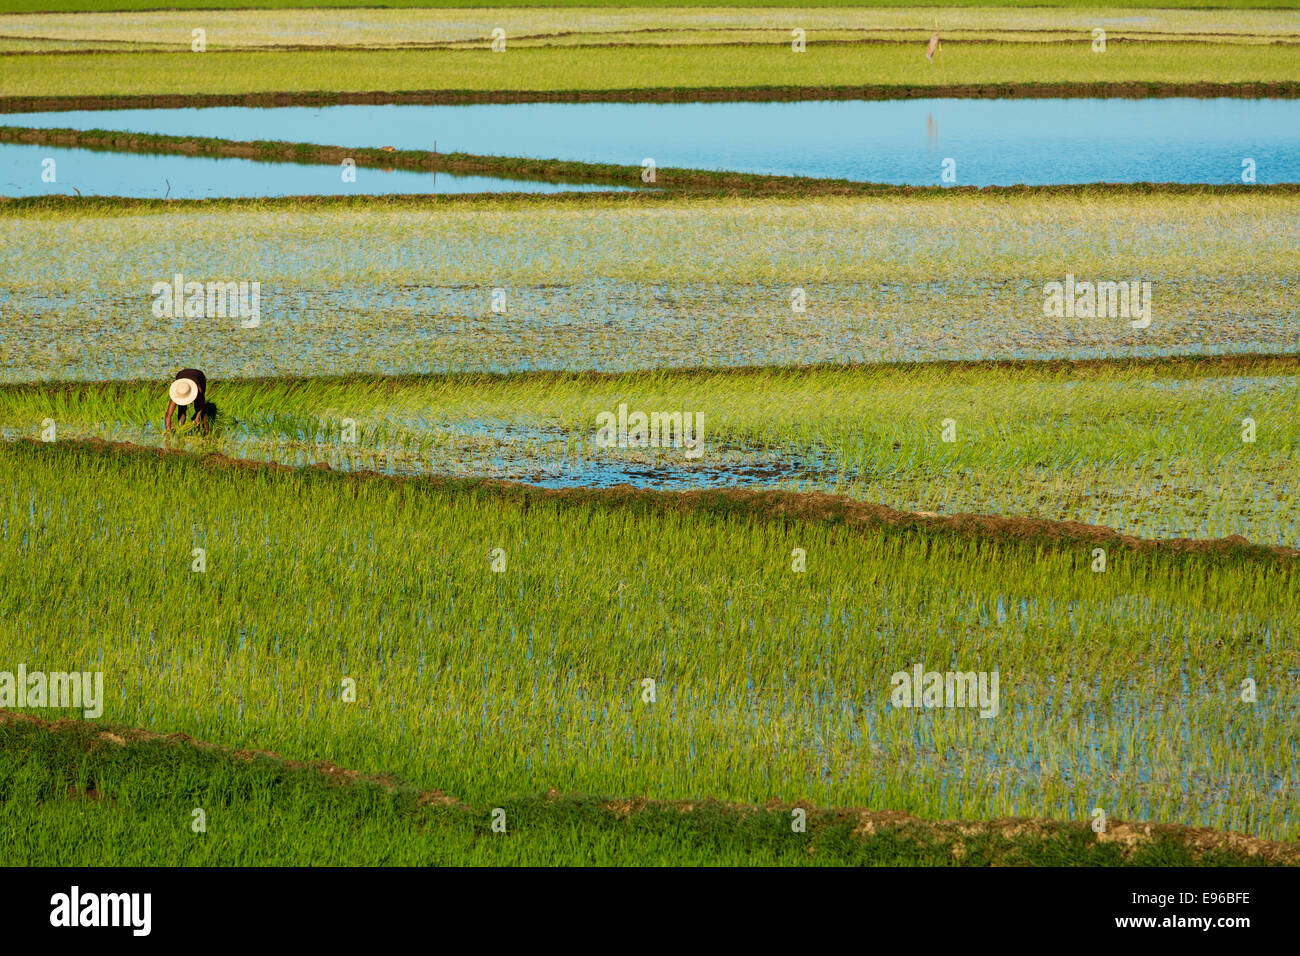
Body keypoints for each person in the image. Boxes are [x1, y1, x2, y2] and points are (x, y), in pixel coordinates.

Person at [164, 368, 218, 435]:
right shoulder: (177, 392)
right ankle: (181, 428)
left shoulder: (198, 390)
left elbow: (202, 405)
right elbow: (168, 415)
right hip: (181, 374)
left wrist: (197, 417)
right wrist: (168, 432)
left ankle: (206, 433)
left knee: (199, 408)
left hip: (199, 376)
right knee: (181, 409)